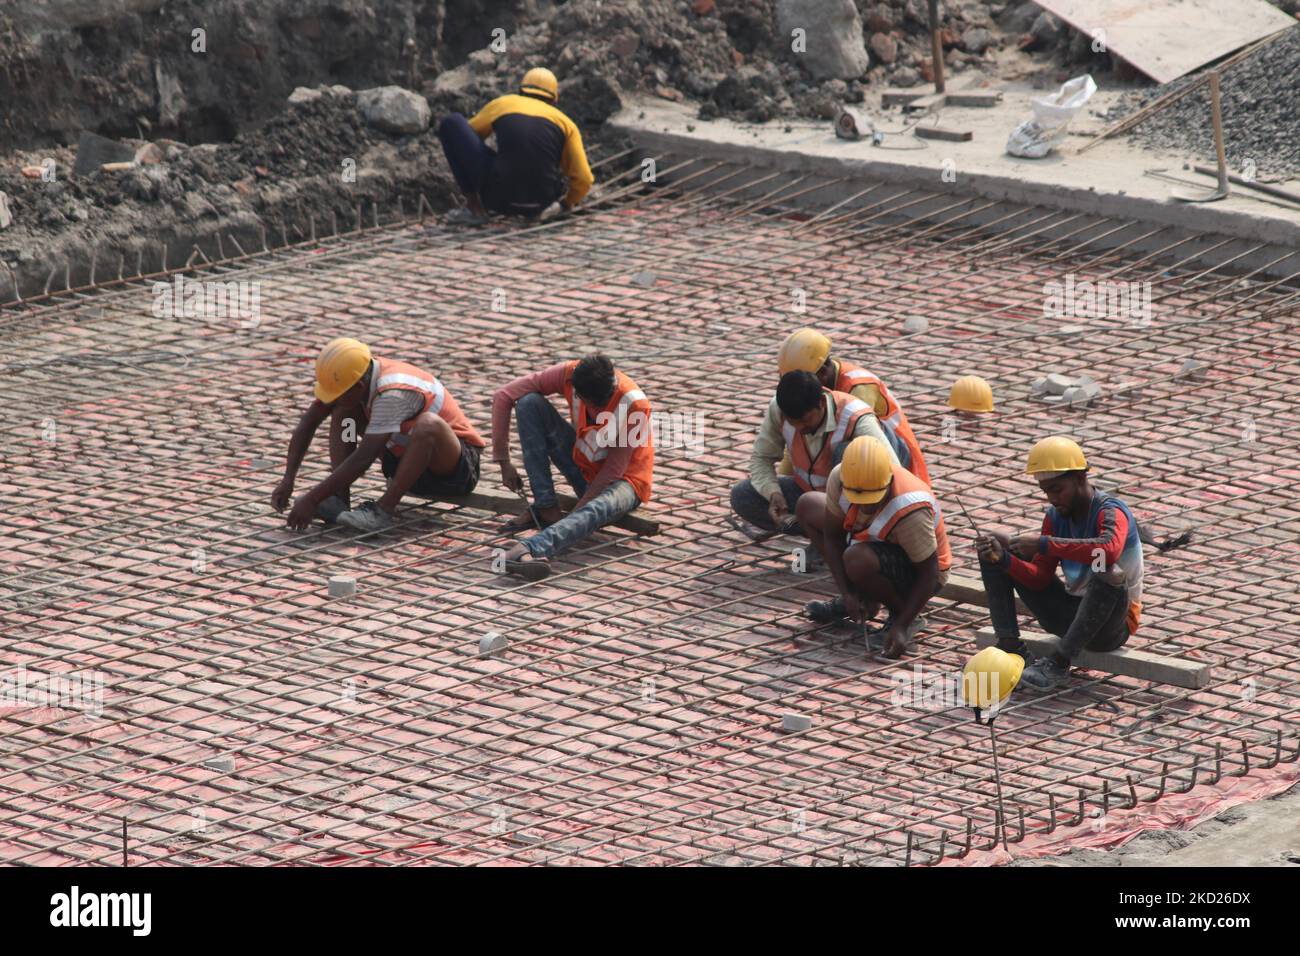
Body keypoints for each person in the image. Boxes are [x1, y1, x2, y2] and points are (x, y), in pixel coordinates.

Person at [976, 436, 1144, 691]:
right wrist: (1005, 560)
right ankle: (1011, 646)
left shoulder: (1110, 512)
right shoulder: (1055, 517)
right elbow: (1039, 579)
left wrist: (1044, 544)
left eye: (1057, 489)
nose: (1051, 498)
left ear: (1080, 479)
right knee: (995, 549)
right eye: (1046, 491)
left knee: (1106, 570)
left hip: (1109, 628)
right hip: (1068, 617)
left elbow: (1107, 551)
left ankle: (1058, 663)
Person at [272, 338, 485, 532]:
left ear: (360, 386)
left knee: (427, 425)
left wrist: (312, 498)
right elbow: (309, 422)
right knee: (345, 414)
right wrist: (288, 479)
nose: (334, 399)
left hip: (452, 470)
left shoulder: (393, 393)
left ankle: (383, 510)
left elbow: (364, 457)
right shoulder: (355, 379)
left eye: (338, 394)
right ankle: (339, 497)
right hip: (404, 463)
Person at [492, 354, 652, 580]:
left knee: (597, 508)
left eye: (602, 405)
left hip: (624, 482)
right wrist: (503, 462)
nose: (597, 410)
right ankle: (546, 506)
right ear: (578, 392)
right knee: (528, 403)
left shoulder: (634, 404)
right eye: (593, 404)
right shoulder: (569, 374)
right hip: (583, 464)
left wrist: (573, 519)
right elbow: (503, 396)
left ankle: (530, 548)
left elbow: (612, 472)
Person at [799, 436, 951, 657]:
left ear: (887, 482)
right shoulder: (841, 478)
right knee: (807, 505)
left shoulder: (911, 509)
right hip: (870, 541)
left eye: (871, 498)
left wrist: (902, 624)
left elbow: (929, 574)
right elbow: (832, 537)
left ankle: (905, 617)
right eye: (857, 497)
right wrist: (848, 592)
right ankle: (862, 598)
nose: (863, 504)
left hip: (921, 571)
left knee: (857, 559)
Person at [730, 369, 898, 543]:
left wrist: (866, 516)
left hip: (852, 503)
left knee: (848, 451)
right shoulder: (779, 409)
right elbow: (761, 458)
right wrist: (774, 493)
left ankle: (846, 538)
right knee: (743, 496)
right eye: (792, 422)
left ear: (821, 403)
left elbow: (893, 470)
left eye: (805, 420)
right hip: (808, 495)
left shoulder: (856, 418)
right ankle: (821, 536)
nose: (800, 428)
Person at [436, 66, 594, 224]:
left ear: (521, 91)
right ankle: (539, 209)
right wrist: (566, 203)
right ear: (554, 100)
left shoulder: (504, 104)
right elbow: (584, 179)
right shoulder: (566, 123)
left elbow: (468, 136)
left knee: (452, 123)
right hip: (541, 204)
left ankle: (474, 208)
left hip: (497, 199)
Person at [777, 327, 930, 484]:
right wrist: (782, 482)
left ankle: (843, 502)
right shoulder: (814, 392)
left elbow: (866, 441)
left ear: (822, 372)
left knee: (846, 450)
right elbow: (798, 442)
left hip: (896, 460)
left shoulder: (857, 388)